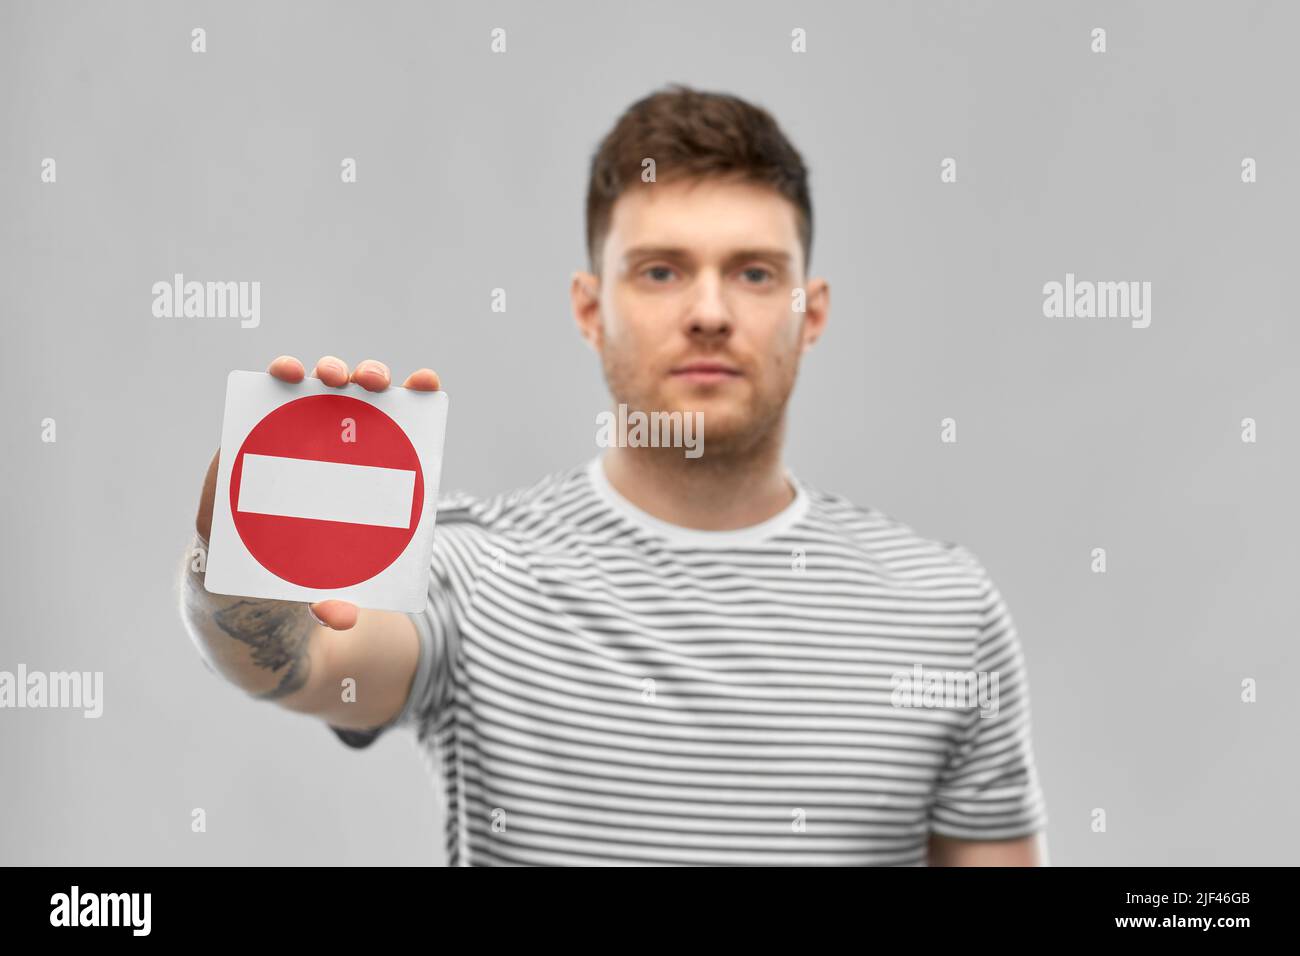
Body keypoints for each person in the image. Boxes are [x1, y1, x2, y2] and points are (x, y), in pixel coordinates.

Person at [179, 83, 1048, 866]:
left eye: (753, 273)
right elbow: (304, 662)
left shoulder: (945, 608)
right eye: (661, 271)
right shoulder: (475, 572)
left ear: (809, 312)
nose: (708, 313)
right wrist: (242, 563)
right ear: (589, 310)